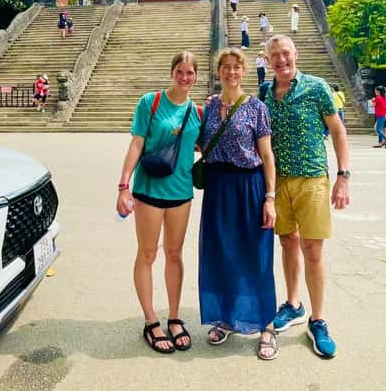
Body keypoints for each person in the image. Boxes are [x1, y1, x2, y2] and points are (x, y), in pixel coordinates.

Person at [259, 35, 351, 360]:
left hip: (312, 179)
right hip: (278, 182)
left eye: (285, 53)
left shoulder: (316, 87)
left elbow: (338, 130)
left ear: (295, 54)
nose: (281, 60)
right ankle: (294, 304)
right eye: (274, 56)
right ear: (267, 60)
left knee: (312, 249)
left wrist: (343, 176)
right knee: (287, 242)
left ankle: (318, 319)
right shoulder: (264, 94)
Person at [116, 52, 203, 355]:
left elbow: (207, 146)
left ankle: (175, 317)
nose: (184, 77)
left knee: (175, 253)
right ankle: (151, 320)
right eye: (179, 71)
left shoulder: (197, 112)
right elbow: (137, 144)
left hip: (181, 191)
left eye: (190, 72)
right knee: (149, 252)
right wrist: (124, 185)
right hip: (149, 189)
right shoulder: (150, 103)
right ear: (172, 72)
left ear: (196, 76)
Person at [198, 48, 279, 360]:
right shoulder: (209, 107)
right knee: (222, 252)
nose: (231, 72)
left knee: (256, 255)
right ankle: (228, 317)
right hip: (218, 188)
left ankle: (266, 325)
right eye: (226, 67)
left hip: (249, 186)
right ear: (218, 71)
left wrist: (270, 198)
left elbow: (267, 155)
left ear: (244, 71)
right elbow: (200, 143)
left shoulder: (257, 108)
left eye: (236, 67)